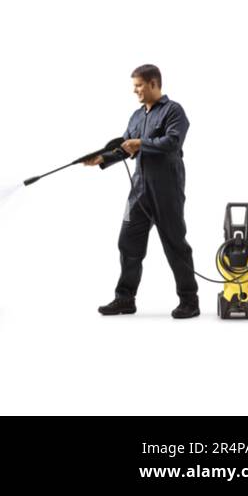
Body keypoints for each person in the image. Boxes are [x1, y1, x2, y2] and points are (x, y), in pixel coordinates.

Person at [88, 64, 199, 318]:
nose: (135, 91)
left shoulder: (174, 111)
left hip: (166, 190)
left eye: (138, 85)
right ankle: (125, 299)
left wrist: (141, 143)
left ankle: (189, 300)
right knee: (127, 242)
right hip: (139, 191)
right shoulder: (137, 116)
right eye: (134, 86)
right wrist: (101, 158)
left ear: (153, 83)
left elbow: (172, 142)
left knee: (175, 245)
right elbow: (124, 146)